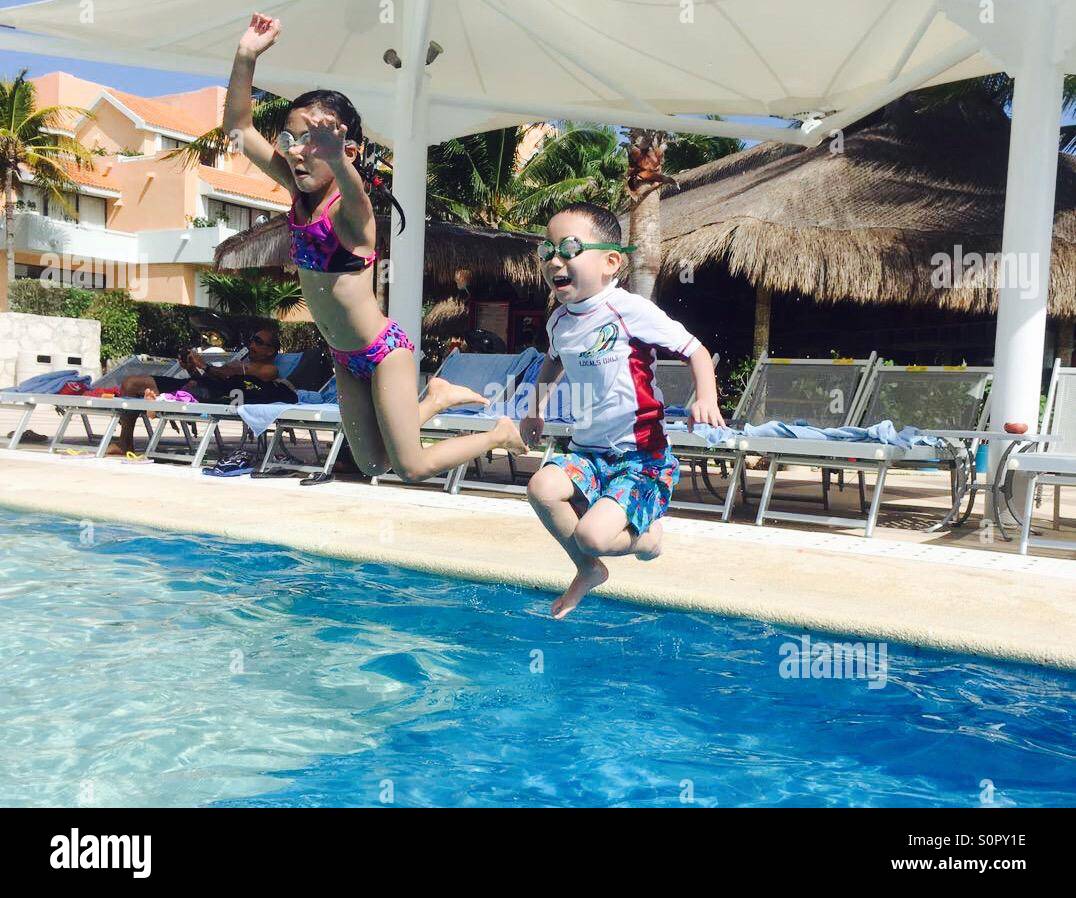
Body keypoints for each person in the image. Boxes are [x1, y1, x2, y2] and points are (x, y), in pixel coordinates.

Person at [222, 13, 526, 480]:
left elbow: (358, 193)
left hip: (385, 352)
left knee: (412, 467)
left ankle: (497, 433)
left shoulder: (349, 209)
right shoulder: (297, 193)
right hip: (344, 355)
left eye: (313, 141)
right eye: (290, 138)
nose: (298, 150)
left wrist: (339, 159)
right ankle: (436, 398)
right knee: (371, 462)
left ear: (349, 150)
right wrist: (246, 55)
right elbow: (238, 131)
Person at [521, 203, 724, 619]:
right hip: (587, 452)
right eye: (547, 251)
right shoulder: (559, 321)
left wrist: (706, 397)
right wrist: (535, 409)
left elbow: (696, 350)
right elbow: (552, 362)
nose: (554, 260)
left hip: (641, 457)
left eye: (569, 248)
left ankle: (646, 540)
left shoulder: (629, 309)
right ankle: (588, 569)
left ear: (611, 262)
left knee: (593, 535)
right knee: (541, 487)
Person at [108, 327, 287, 455]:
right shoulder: (240, 363)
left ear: (270, 350)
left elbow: (223, 376)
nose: (252, 345)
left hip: (215, 395)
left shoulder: (269, 370)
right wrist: (192, 368)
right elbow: (214, 376)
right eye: (252, 340)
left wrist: (203, 364)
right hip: (199, 386)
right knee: (131, 384)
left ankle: (159, 402)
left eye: (258, 341)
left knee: (179, 394)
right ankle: (125, 442)